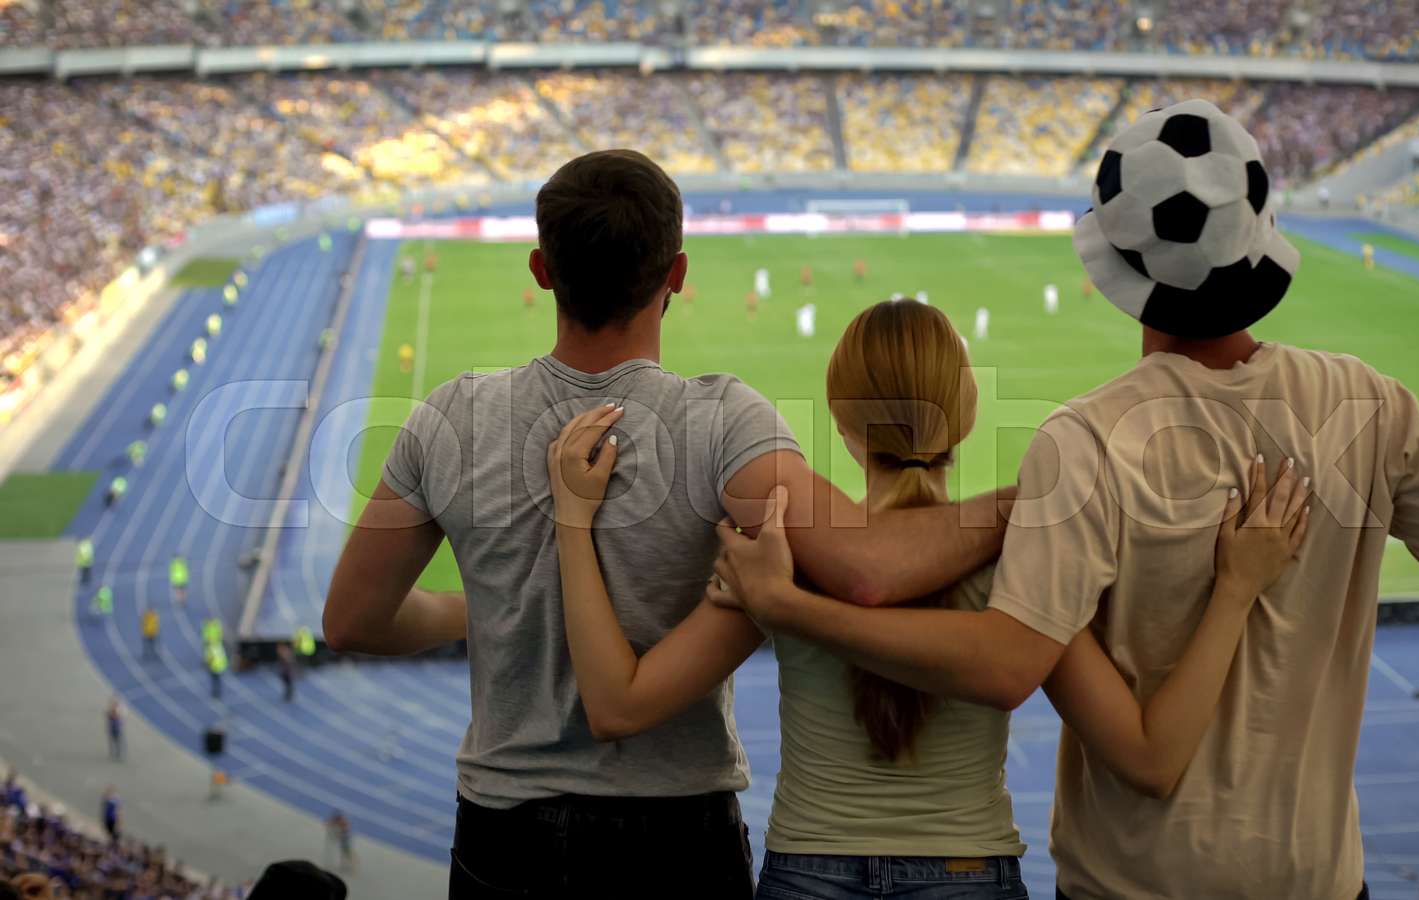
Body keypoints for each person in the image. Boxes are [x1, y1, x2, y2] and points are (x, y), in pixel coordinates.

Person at [710, 101, 1419, 900]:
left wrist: (790, 603)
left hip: (1129, 879)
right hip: (1317, 878)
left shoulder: (1087, 444)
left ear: (1117, 269)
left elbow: (1010, 665)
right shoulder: (1370, 404)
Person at [323, 150, 1011, 900]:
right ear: (676, 274)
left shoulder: (448, 419)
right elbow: (867, 568)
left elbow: (353, 620)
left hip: (503, 826)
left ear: (541, 270)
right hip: (676, 829)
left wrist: (484, 609)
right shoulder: (724, 422)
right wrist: (1022, 499)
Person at [549, 300, 1307, 900]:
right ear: (966, 415)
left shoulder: (775, 558)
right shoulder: (1024, 563)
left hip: (808, 873)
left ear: (842, 426)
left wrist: (574, 524)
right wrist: (1236, 589)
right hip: (969, 875)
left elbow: (619, 704)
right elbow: (1151, 756)